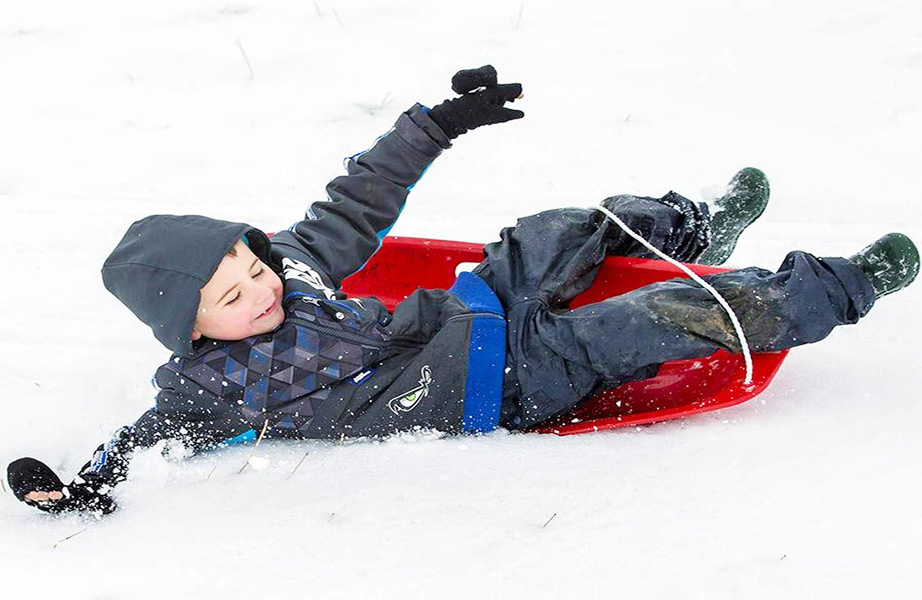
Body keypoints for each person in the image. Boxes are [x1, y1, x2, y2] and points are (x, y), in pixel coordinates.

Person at [8, 66, 918, 517]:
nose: (260, 287)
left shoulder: (295, 264)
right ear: (190, 327)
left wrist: (436, 123)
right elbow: (138, 443)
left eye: (252, 265)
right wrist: (73, 490)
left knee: (563, 226)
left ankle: (689, 230)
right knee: (656, 319)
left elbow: (358, 198)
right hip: (503, 383)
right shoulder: (210, 390)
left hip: (477, 304)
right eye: (233, 295)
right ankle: (843, 285)